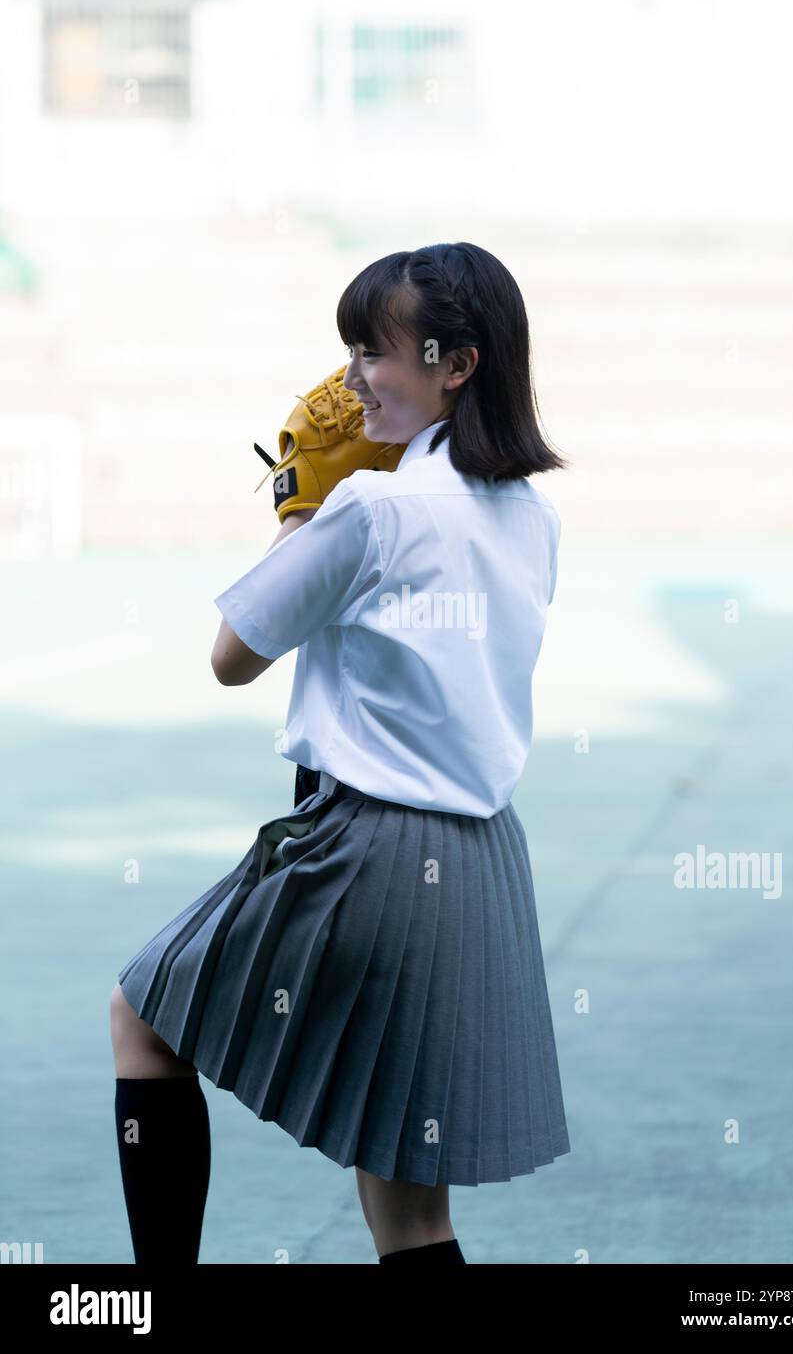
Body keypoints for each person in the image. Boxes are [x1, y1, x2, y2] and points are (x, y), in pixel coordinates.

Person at [110, 240, 571, 1266]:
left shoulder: (371, 506)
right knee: (411, 1216)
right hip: (481, 863)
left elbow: (231, 657)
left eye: (375, 351)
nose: (351, 377)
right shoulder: (534, 515)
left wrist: (302, 501)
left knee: (141, 1016)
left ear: (457, 366)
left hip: (363, 849)